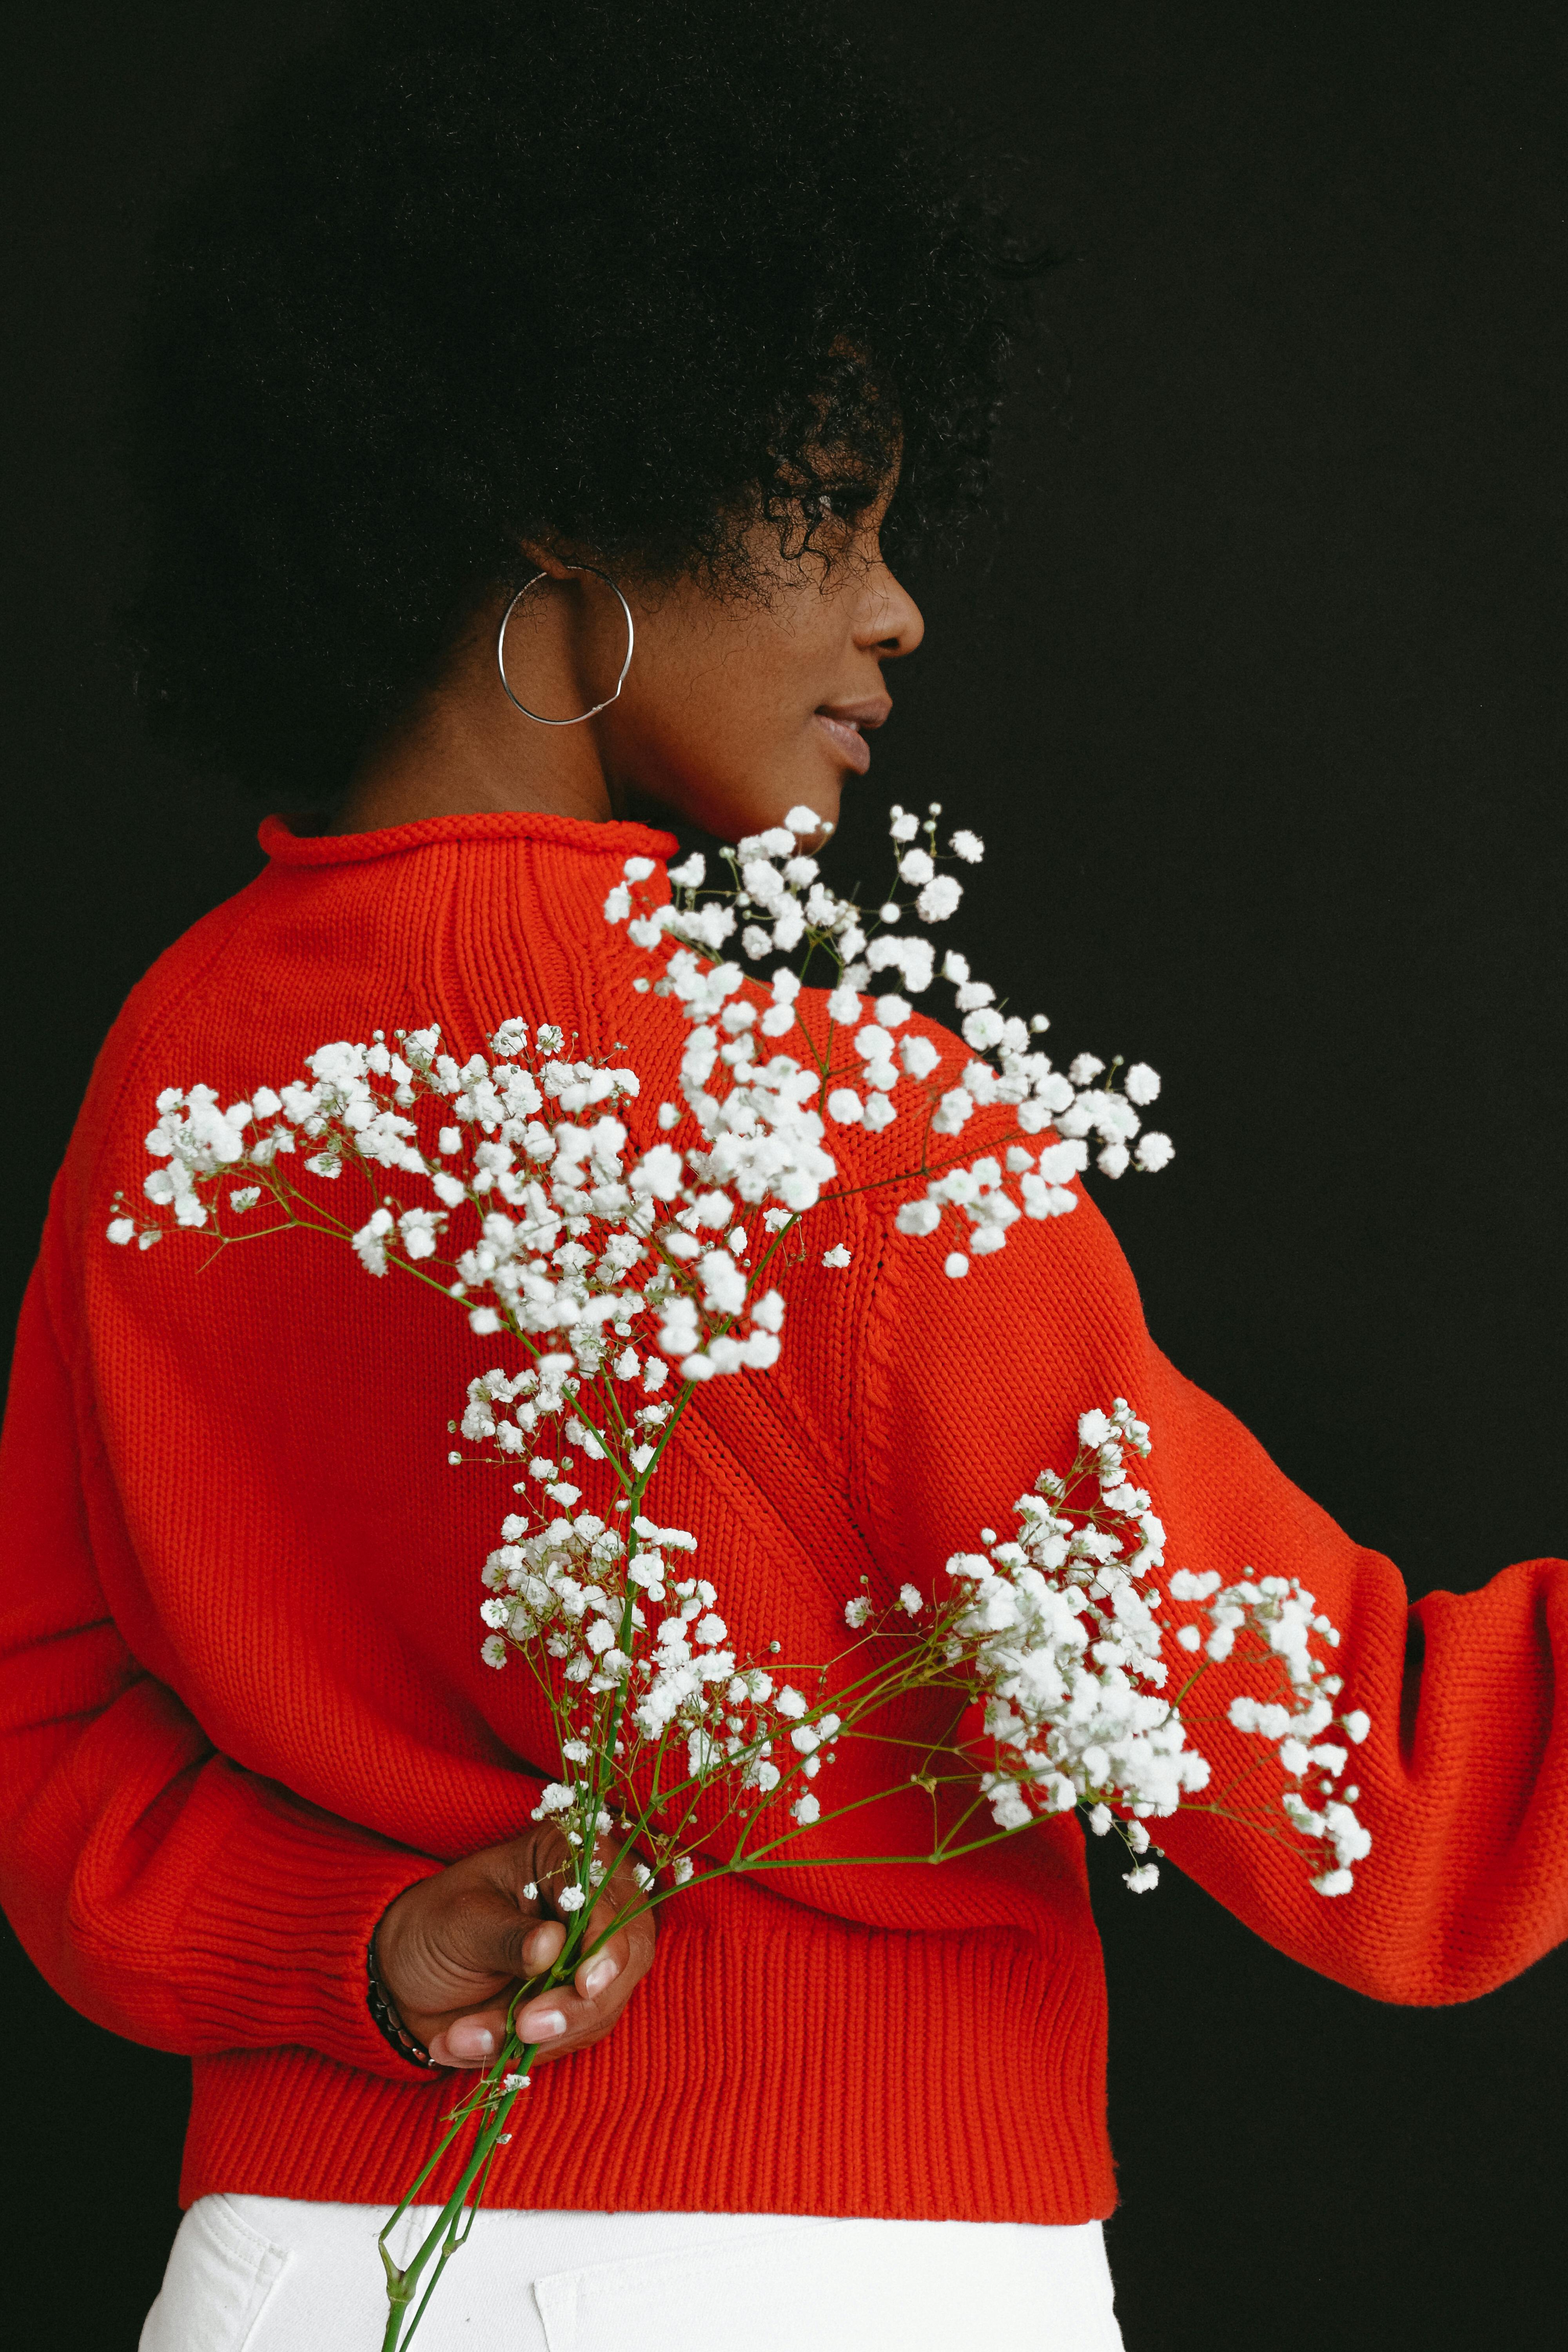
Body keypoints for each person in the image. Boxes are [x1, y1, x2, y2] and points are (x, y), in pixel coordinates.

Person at [1, 4, 1564, 2348]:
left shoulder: (175, 1069)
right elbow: (1401, 1812)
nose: (892, 607)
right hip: (837, 2272)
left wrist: (365, 1949)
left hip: (290, 2275)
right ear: (567, 511)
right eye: (826, 507)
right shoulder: (848, 1138)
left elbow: (46, 1736)